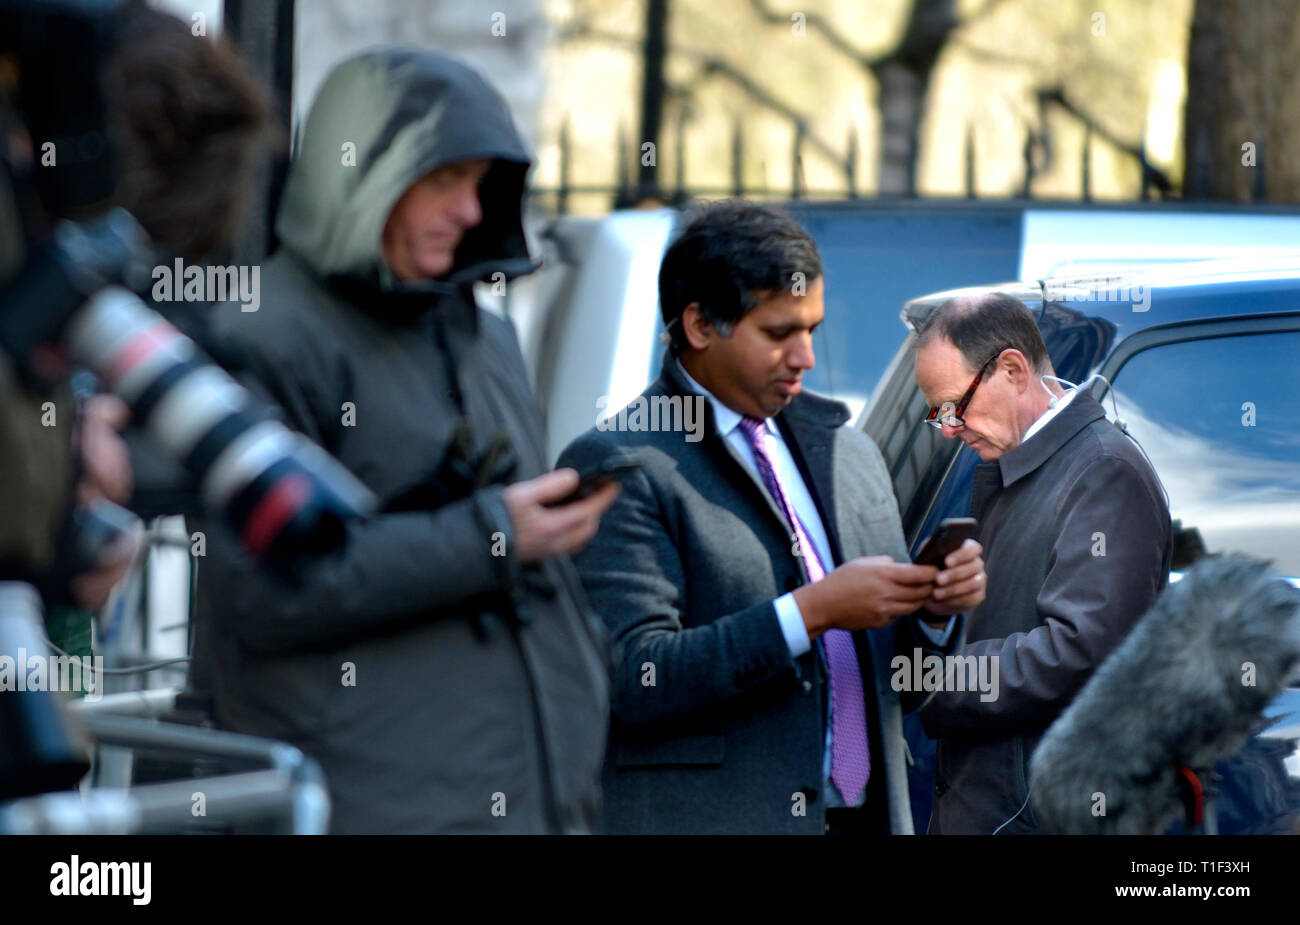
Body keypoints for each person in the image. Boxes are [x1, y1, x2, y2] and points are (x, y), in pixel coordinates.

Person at [190, 48, 616, 834]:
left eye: (481, 183)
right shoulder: (265, 335)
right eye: (443, 179)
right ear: (362, 174)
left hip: (533, 803)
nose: (470, 210)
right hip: (379, 805)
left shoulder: (486, 337)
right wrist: (492, 536)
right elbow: (262, 590)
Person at [557, 200, 985, 834]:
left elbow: (901, 683)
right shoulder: (620, 462)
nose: (806, 356)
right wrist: (809, 613)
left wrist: (935, 611)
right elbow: (635, 681)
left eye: (812, 329)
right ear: (700, 326)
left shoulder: (847, 451)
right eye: (780, 333)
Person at [912, 291, 1172, 834]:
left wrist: (934, 678)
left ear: (1012, 369)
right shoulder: (1026, 463)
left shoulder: (1104, 472)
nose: (950, 428)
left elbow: (1081, 651)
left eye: (955, 405)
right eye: (938, 414)